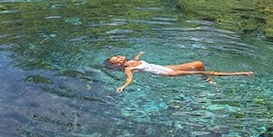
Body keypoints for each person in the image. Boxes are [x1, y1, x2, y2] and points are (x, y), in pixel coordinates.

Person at [103, 51, 254, 93]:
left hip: (167, 66)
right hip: (166, 73)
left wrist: (139, 55)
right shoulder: (128, 68)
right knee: (199, 72)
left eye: (118, 55)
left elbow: (138, 60)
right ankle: (240, 73)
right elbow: (129, 79)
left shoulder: (130, 61)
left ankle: (206, 79)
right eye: (117, 58)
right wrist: (123, 86)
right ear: (117, 63)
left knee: (199, 64)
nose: (120, 56)